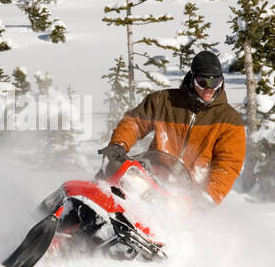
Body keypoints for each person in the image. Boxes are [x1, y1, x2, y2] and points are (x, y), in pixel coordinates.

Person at [99, 50, 246, 205]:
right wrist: (118, 145)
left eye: (215, 83)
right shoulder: (164, 101)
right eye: (203, 82)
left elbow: (227, 165)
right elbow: (134, 123)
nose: (209, 89)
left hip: (189, 196)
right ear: (193, 78)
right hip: (151, 177)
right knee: (112, 184)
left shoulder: (229, 120)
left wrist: (209, 196)